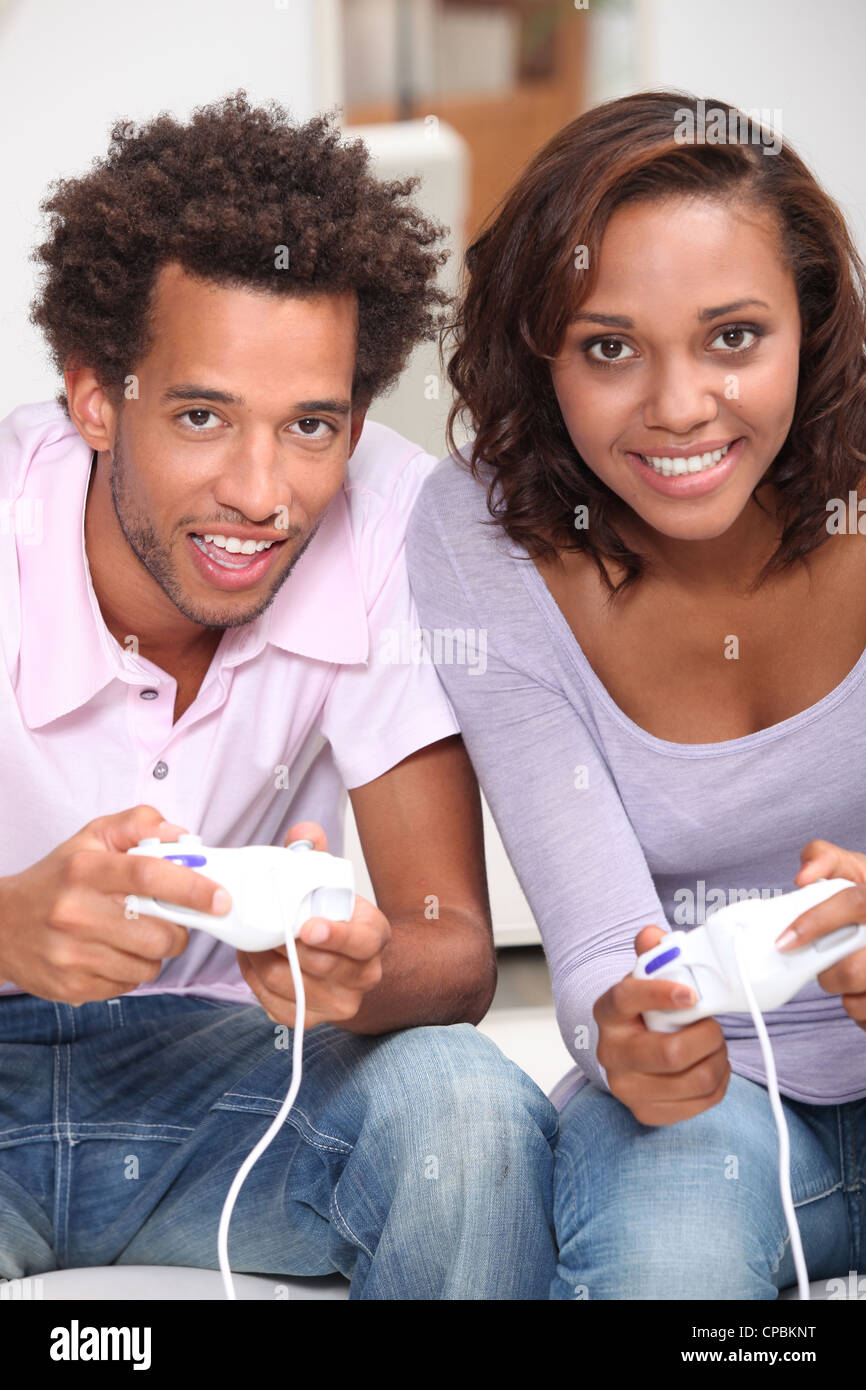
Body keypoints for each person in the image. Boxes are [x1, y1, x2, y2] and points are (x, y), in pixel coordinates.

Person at [0, 91, 558, 1299]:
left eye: (311, 426)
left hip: (232, 1069)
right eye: (201, 416)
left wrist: (353, 970)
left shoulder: (394, 526)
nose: (263, 493)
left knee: (471, 1116)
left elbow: (453, 950)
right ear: (96, 395)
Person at [406, 90, 866, 1299]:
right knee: (663, 1268)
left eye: (732, 337)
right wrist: (628, 1037)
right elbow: (603, 950)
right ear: (539, 350)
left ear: (809, 326)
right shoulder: (480, 532)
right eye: (608, 347)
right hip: (715, 1107)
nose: (676, 409)